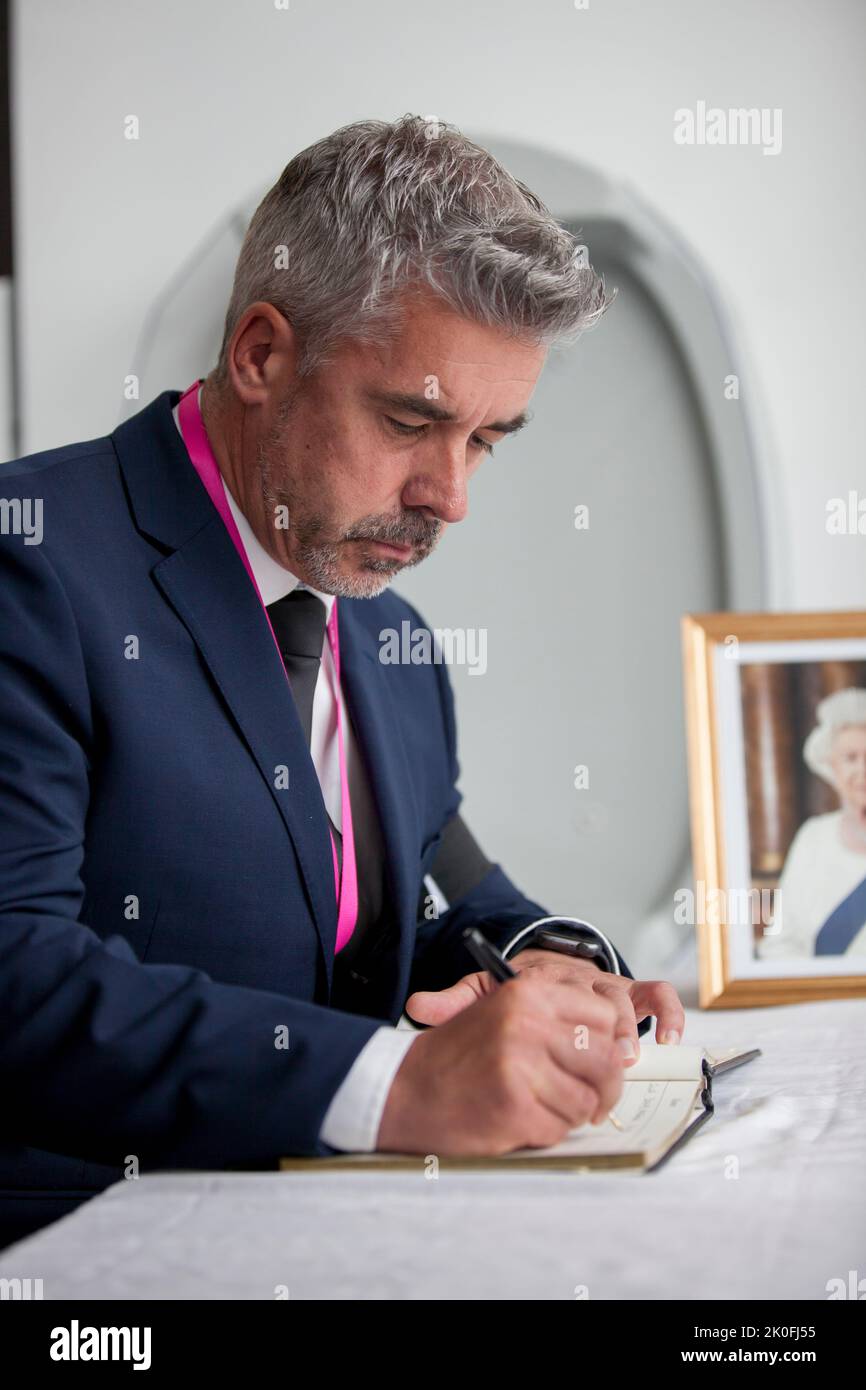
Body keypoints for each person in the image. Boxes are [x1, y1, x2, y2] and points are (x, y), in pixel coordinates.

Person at [0, 114, 683, 1247]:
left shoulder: (389, 640)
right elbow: (18, 977)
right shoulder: (31, 563)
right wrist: (402, 1084)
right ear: (262, 355)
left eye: (487, 440)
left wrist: (559, 977)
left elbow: (446, 905)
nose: (448, 494)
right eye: (412, 420)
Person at [759, 686, 866, 959]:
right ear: (833, 767)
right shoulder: (813, 837)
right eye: (851, 758)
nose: (862, 770)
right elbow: (783, 939)